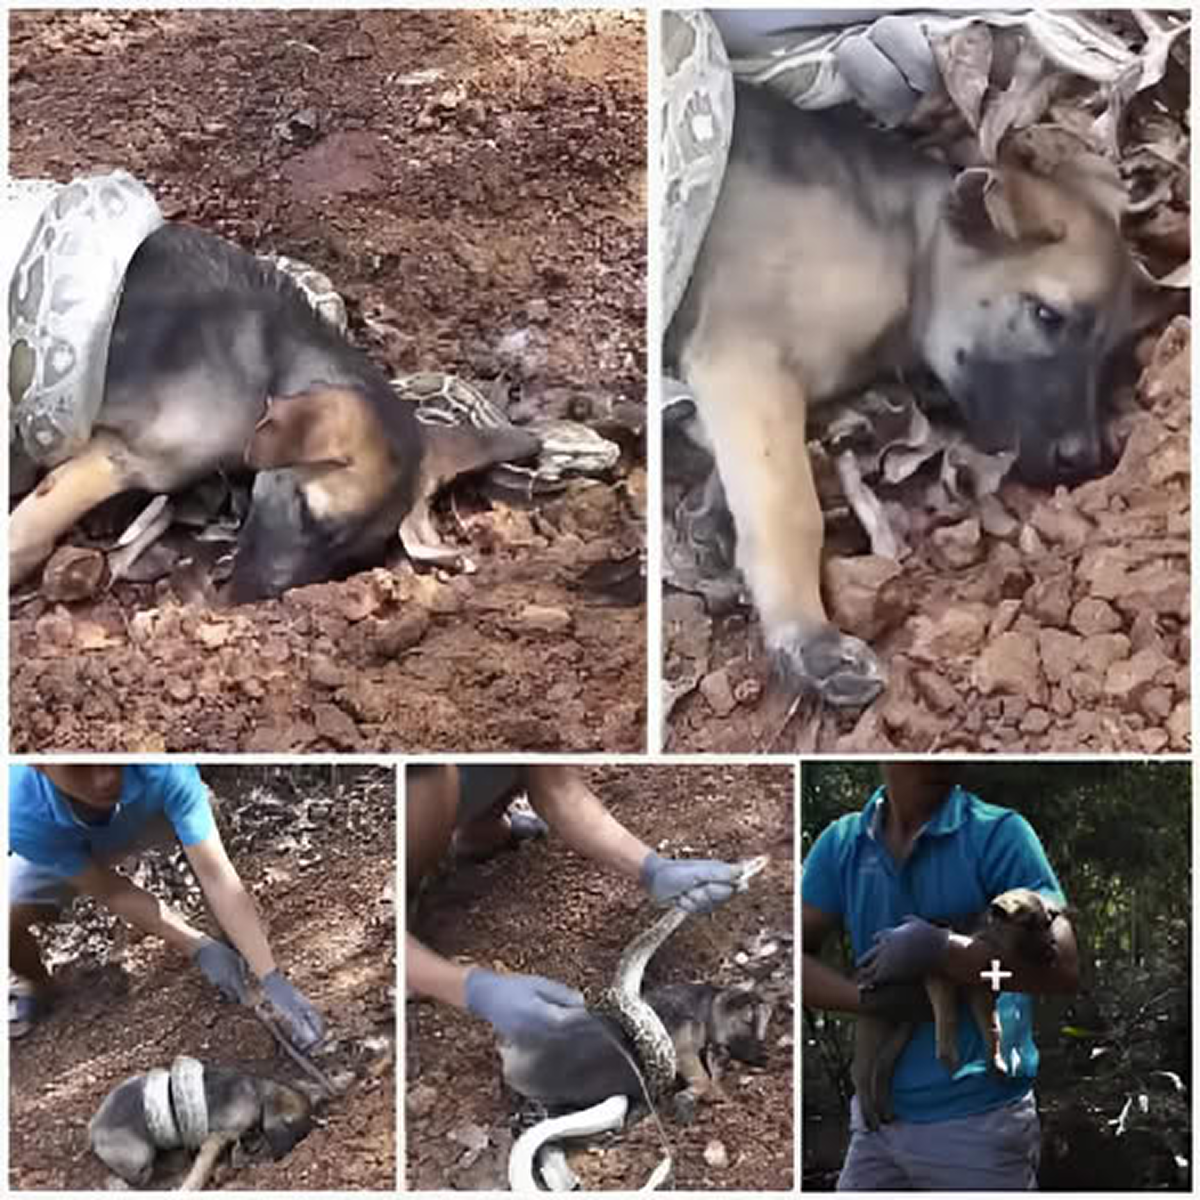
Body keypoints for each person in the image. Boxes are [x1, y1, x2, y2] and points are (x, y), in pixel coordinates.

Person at [802, 761, 1079, 1190]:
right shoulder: (842, 844)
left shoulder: (999, 832)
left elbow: (1060, 967)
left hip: (979, 1124)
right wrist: (867, 1002)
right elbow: (787, 961)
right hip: (877, 1119)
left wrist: (940, 950)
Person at [407, 764, 741, 1042]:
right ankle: (410, 894)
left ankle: (480, 830)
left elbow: (558, 788)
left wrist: (653, 869)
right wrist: (470, 988)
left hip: (446, 793)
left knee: (505, 755)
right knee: (432, 776)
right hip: (413, 799)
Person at [9, 763, 324, 1052]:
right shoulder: (17, 808)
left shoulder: (160, 767)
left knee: (205, 811)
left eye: (111, 761)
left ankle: (235, 940)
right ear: (39, 766)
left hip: (147, 816)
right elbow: (110, 891)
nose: (104, 778)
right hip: (65, 847)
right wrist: (195, 945)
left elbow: (214, 872)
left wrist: (272, 978)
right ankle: (39, 986)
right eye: (79, 769)